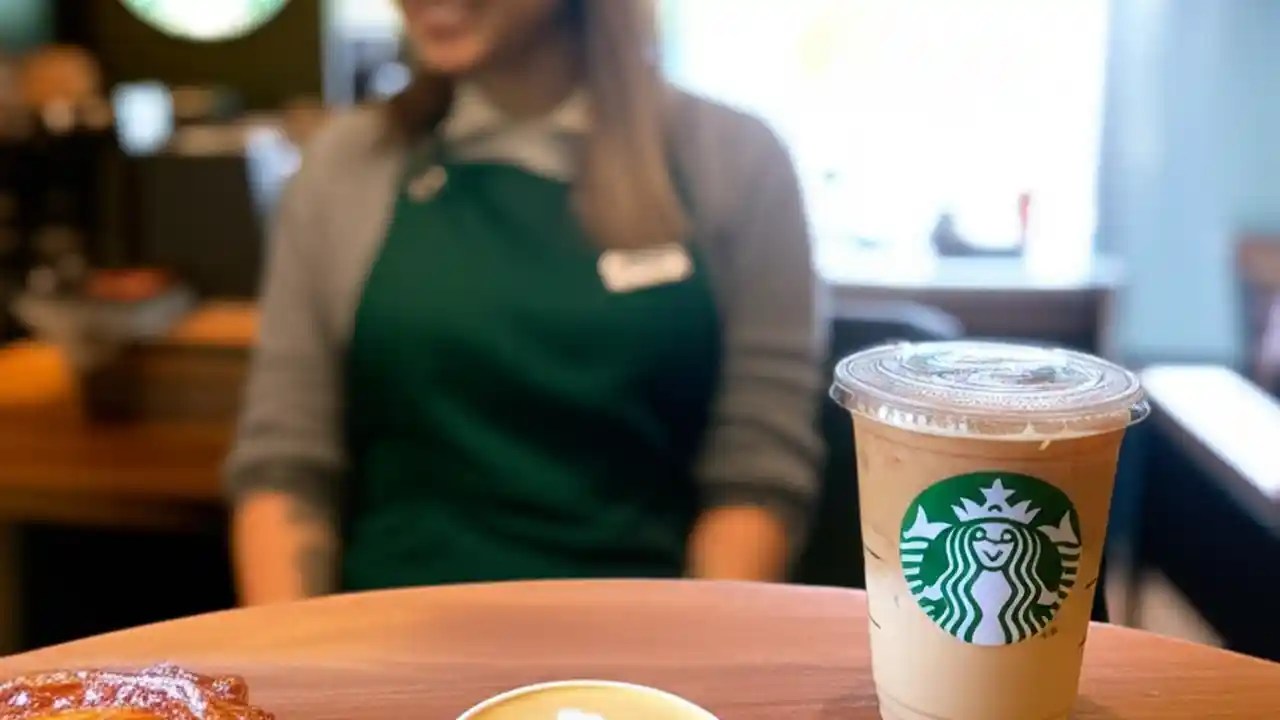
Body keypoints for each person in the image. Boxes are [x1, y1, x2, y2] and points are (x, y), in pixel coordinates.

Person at [227, 0, 823, 604]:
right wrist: (294, 682)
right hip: (389, 645)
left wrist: (693, 676)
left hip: (643, 656)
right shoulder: (345, 167)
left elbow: (756, 472)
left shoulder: (735, 161)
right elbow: (286, 469)